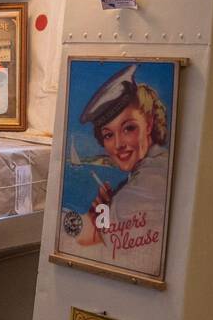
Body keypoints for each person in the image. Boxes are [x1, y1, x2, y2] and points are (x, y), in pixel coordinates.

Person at [63, 64, 170, 277]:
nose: (119, 144)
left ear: (148, 124)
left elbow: (103, 253)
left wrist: (99, 223)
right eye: (108, 135)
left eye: (129, 128)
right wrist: (103, 214)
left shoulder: (150, 183)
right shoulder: (155, 168)